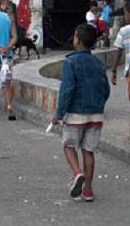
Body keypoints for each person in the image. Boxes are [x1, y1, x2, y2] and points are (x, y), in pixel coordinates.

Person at [51, 24, 111, 202]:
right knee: (88, 151)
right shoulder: (99, 64)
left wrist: (59, 114)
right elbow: (106, 90)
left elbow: (67, 90)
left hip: (76, 114)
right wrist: (98, 106)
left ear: (77, 40)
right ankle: (88, 190)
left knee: (69, 146)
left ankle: (77, 173)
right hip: (96, 114)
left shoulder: (71, 62)